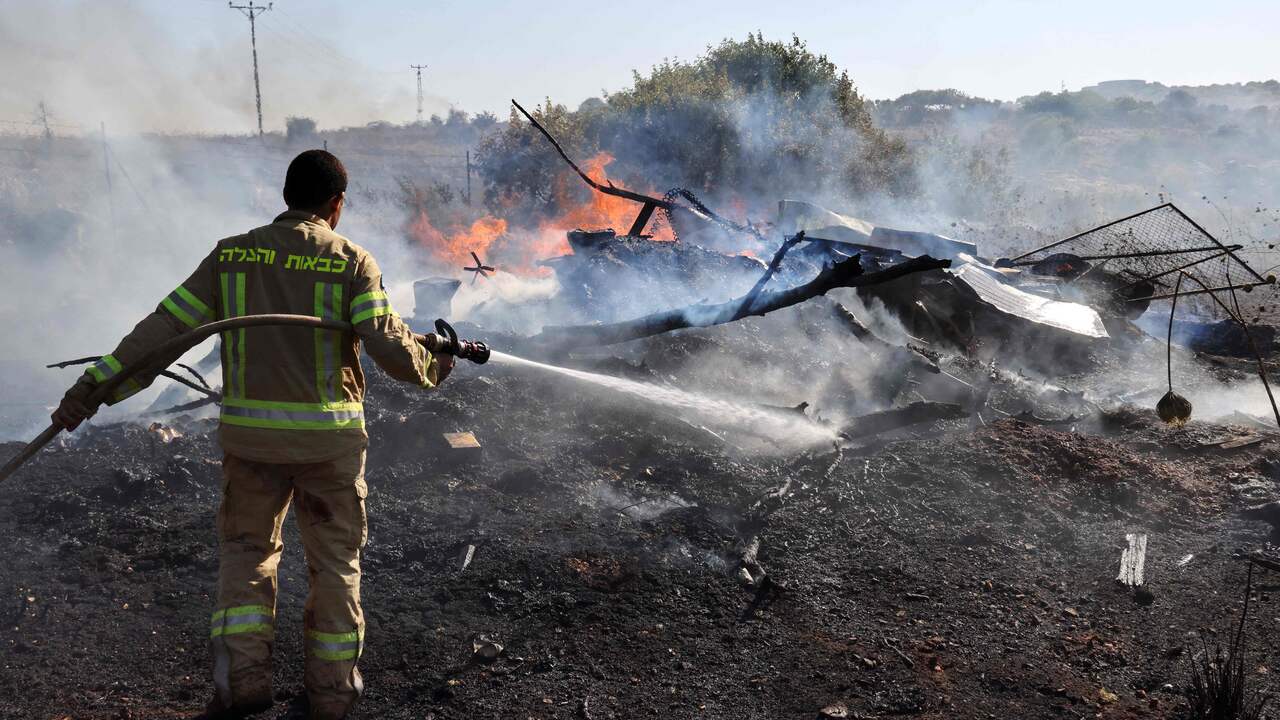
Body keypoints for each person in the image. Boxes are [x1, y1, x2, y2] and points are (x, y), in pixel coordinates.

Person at [52, 149, 452, 720]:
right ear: (336, 204)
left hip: (251, 446)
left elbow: (164, 330)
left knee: (246, 556)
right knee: (336, 565)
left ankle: (241, 686)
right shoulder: (351, 261)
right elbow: (388, 344)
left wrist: (89, 393)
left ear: (287, 196)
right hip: (329, 447)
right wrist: (433, 365)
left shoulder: (232, 256)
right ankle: (333, 695)